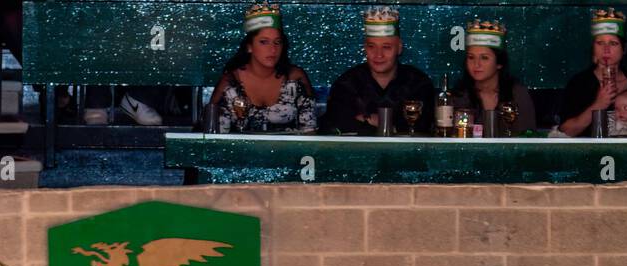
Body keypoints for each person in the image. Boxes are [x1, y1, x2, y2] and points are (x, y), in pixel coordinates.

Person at [321, 6, 435, 135]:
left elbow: (423, 126)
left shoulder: (418, 83)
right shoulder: (347, 83)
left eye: (386, 47)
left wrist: (369, 121)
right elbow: (337, 125)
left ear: (399, 48)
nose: (378, 54)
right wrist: (392, 126)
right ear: (365, 48)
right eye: (371, 46)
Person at [205, 3, 315, 133]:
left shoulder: (295, 79)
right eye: (264, 42)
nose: (273, 49)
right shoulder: (230, 83)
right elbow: (213, 136)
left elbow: (310, 132)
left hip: (290, 152)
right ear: (249, 47)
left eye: (277, 42)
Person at [557, 8, 627, 137]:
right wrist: (598, 105)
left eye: (613, 43)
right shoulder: (579, 83)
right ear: (593, 49)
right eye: (600, 43)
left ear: (624, 49)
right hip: (589, 154)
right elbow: (565, 132)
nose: (606, 50)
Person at [450, 20, 537, 134]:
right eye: (471, 57)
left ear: (499, 63)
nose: (476, 64)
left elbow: (528, 136)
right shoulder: (457, 97)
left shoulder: (517, 94)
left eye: (484, 58)